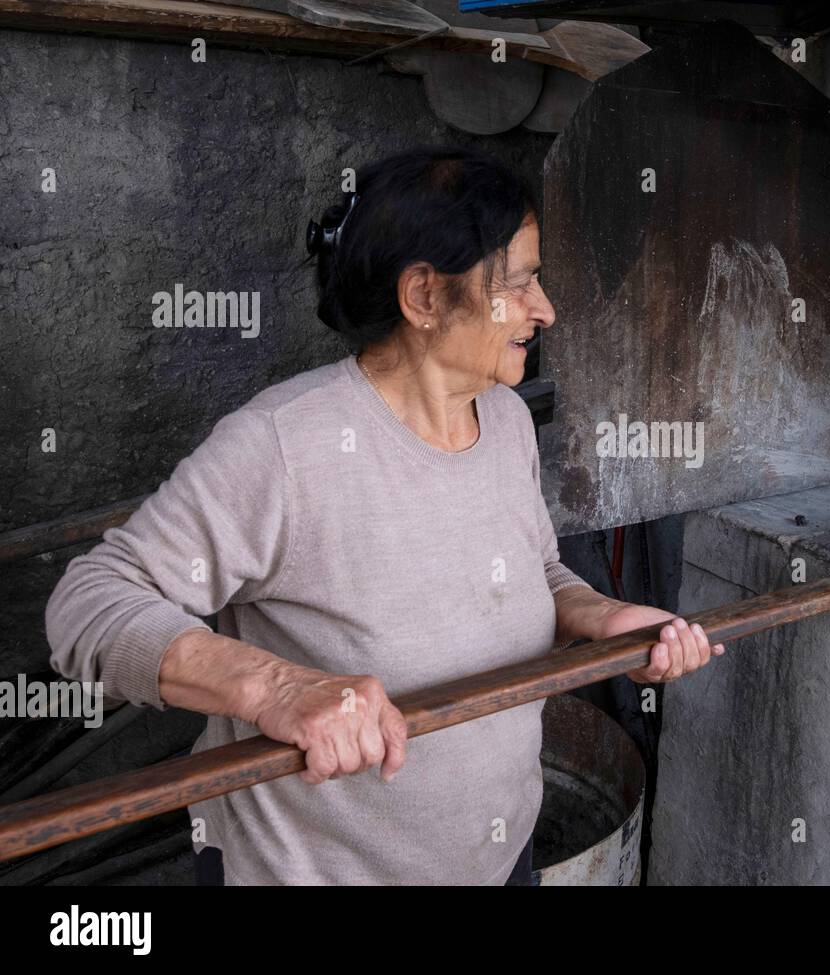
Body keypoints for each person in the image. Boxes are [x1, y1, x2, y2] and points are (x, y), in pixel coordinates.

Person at [45, 145, 723, 885]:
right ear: (425, 297)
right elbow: (90, 602)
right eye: (522, 281)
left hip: (498, 862)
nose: (545, 308)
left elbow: (537, 570)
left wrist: (600, 614)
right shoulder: (286, 446)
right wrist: (276, 689)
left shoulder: (502, 421)